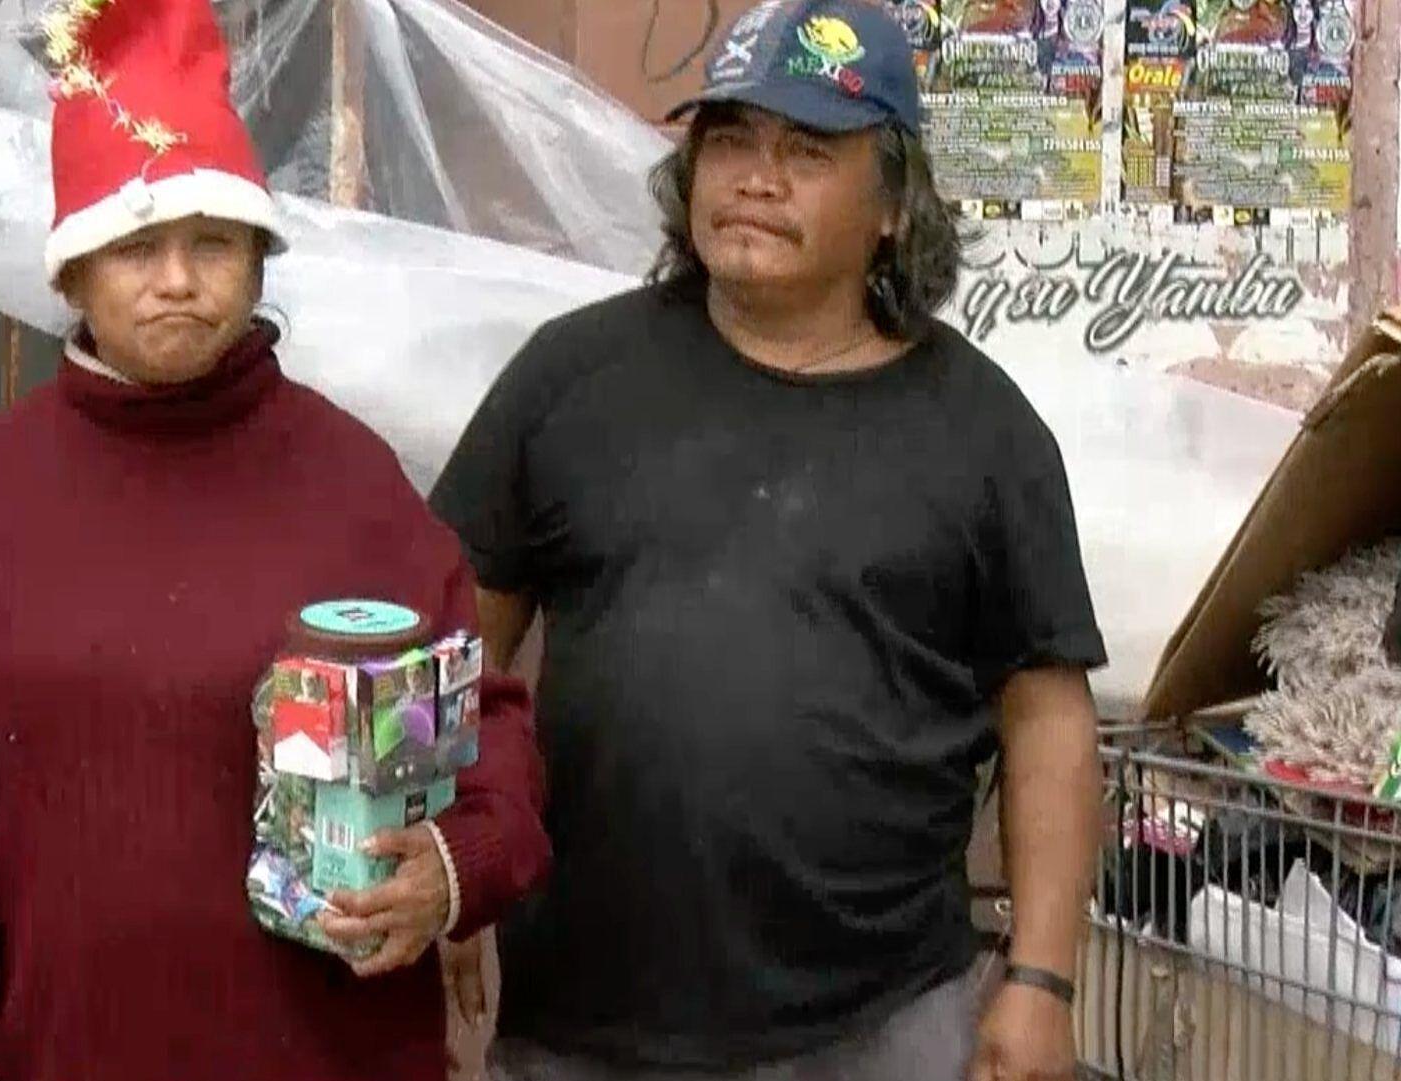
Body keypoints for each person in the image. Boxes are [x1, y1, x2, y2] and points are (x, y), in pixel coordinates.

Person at [0, 2, 550, 1079]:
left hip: (330, 1054)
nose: (176, 278)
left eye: (210, 242)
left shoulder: (348, 482)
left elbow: (479, 717)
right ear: (72, 273)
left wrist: (455, 866)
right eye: (134, 245)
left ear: (258, 258)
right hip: (64, 1051)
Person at [429, 1, 1107, 1079]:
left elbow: (1050, 724)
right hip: (584, 1021)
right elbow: (456, 645)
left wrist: (1040, 980)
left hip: (879, 1024)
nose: (755, 175)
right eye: (731, 141)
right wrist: (451, 862)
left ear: (893, 205)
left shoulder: (984, 431)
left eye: (807, 151)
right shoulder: (569, 381)